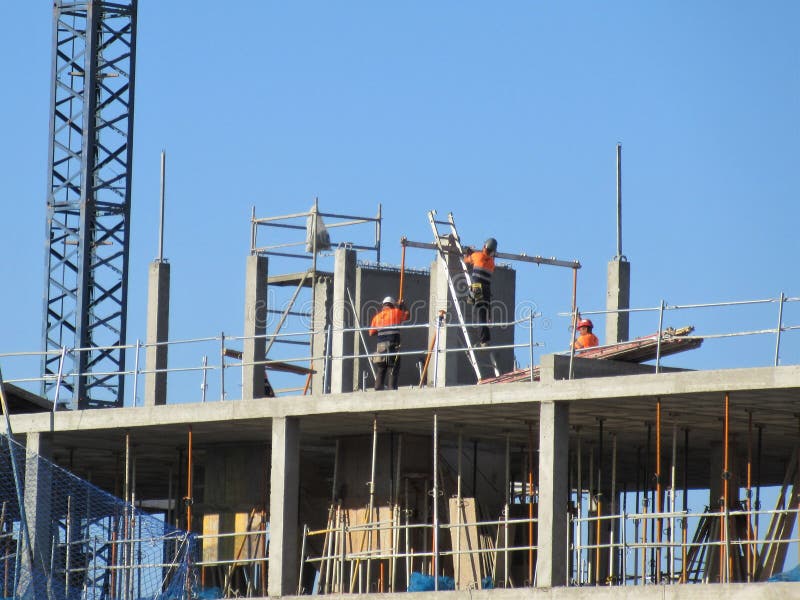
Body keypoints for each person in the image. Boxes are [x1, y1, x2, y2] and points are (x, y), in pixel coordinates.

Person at [369, 296, 410, 391]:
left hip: (380, 347)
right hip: (393, 346)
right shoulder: (396, 312)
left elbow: (371, 333)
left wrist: (381, 329)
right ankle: (392, 390)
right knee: (393, 369)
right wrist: (403, 306)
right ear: (392, 305)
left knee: (381, 369)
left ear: (383, 305)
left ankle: (378, 389)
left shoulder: (377, 317)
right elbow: (407, 315)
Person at [463, 237, 497, 346]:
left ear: (484, 246)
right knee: (483, 312)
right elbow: (485, 258)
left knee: (480, 313)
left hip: (477, 287)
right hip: (487, 289)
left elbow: (466, 260)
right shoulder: (492, 262)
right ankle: (484, 339)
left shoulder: (477, 256)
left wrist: (468, 253)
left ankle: (484, 339)